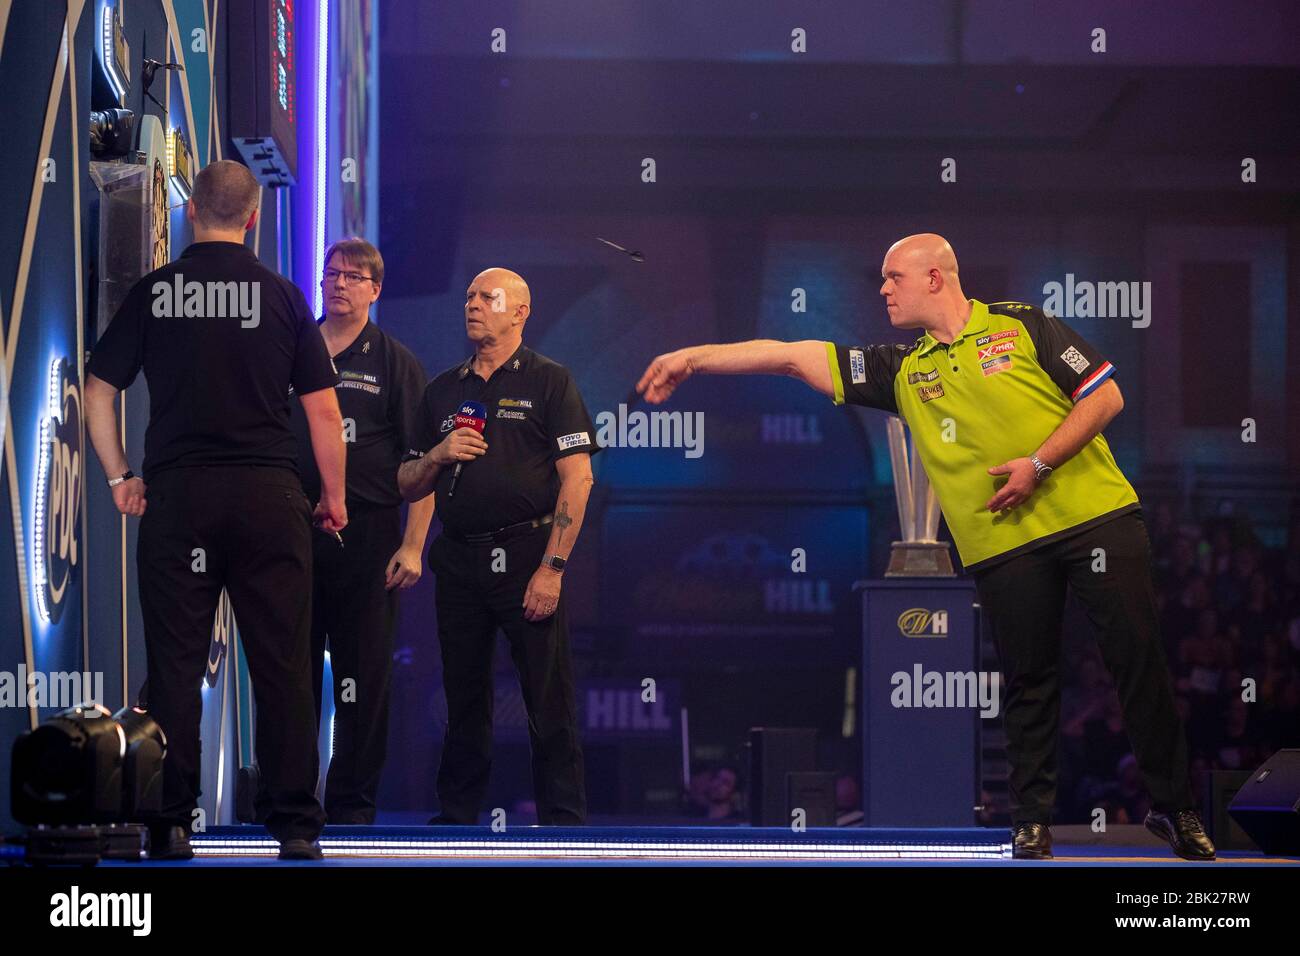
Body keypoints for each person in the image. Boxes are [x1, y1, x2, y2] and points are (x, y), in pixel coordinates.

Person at [635, 233, 1215, 861]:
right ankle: (1031, 823)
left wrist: (1039, 465)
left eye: (892, 278)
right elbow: (788, 356)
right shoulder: (902, 369)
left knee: (1137, 661)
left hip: (1095, 516)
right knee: (1026, 681)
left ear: (936, 277)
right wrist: (694, 357)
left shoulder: (1025, 325)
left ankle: (1177, 810)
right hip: (1004, 542)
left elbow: (1106, 396)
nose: (882, 288)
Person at [84, 159, 346, 861]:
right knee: (284, 665)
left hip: (179, 500)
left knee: (174, 666)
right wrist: (335, 497)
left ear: (190, 211)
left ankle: (170, 824)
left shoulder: (154, 292)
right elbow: (323, 410)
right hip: (267, 499)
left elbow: (99, 388)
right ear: (254, 217)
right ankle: (295, 827)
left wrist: (119, 476)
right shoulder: (287, 298)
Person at [398, 268, 598, 825]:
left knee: (547, 697)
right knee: (462, 695)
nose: (474, 305)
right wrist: (437, 456)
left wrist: (553, 569)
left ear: (520, 312)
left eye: (488, 297)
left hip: (528, 557)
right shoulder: (443, 388)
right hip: (459, 558)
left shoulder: (550, 382)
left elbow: (578, 480)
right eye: (468, 296)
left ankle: (563, 821)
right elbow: (408, 482)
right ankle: (457, 816)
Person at [290, 237, 434, 823]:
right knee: (290, 671)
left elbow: (425, 461)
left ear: (375, 289)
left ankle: (351, 807)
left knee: (362, 678)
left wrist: (413, 543)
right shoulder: (292, 349)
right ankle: (289, 801)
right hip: (292, 533)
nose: (339, 283)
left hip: (370, 538)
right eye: (331, 273)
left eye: (353, 276)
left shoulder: (396, 362)